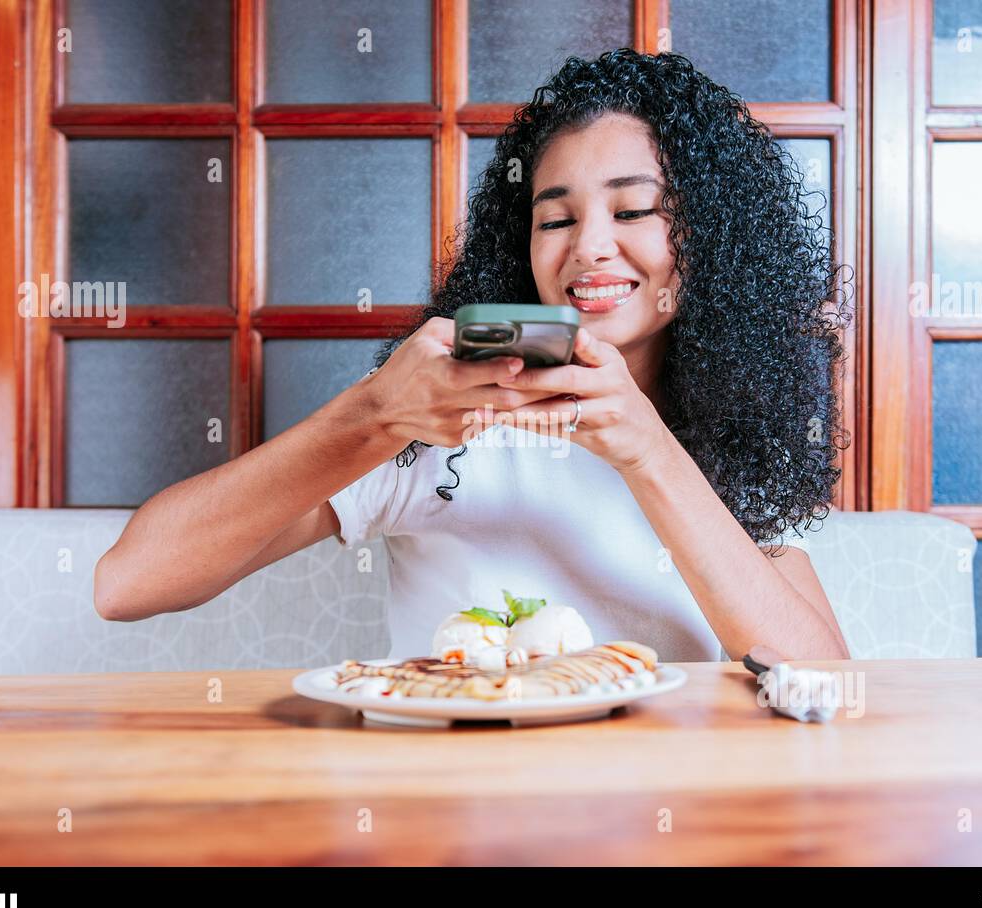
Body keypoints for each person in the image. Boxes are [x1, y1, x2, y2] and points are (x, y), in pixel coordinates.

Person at [94, 49, 850, 662]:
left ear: (713, 237)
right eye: (556, 217)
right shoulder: (438, 413)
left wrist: (650, 454)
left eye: (631, 210)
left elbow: (822, 683)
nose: (588, 247)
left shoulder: (737, 441)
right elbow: (127, 584)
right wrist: (373, 413)